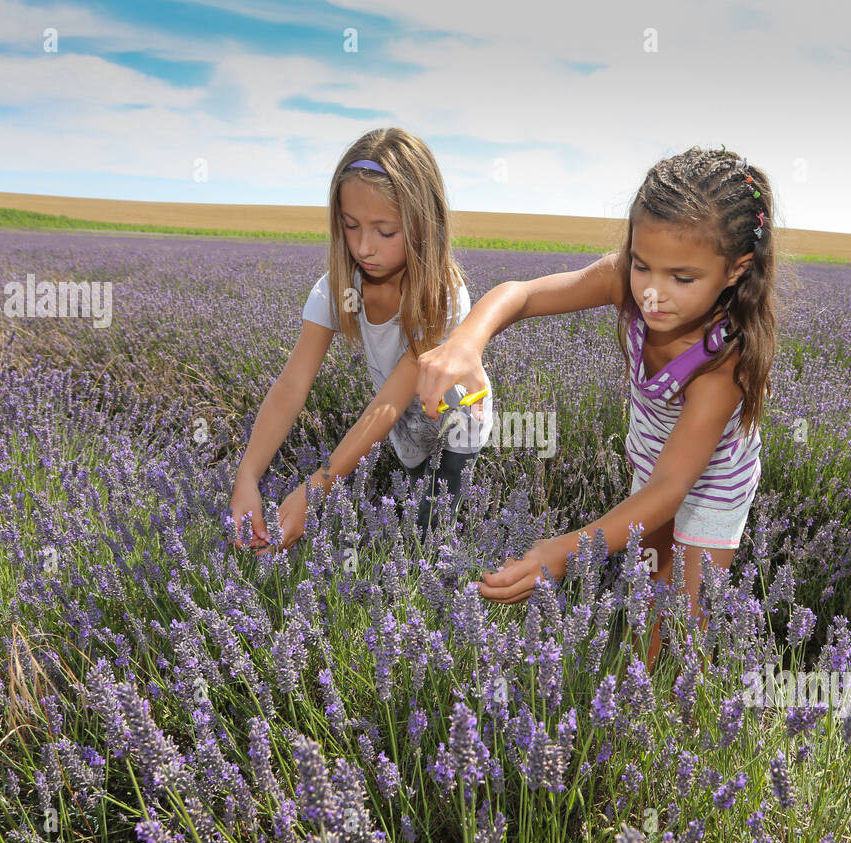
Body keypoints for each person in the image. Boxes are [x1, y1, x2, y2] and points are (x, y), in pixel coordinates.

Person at [416, 146, 778, 672]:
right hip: (652, 466)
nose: (653, 294)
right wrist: (466, 343)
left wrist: (559, 553)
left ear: (734, 271)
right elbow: (519, 296)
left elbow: (670, 492)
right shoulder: (621, 283)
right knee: (645, 596)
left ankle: (664, 722)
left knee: (680, 626)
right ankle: (632, 690)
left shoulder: (724, 363)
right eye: (642, 265)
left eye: (682, 278)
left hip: (709, 490)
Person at [230, 127, 493, 553]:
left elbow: (389, 404)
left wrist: (316, 489)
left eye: (385, 232)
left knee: (429, 543)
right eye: (351, 226)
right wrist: (247, 475)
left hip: (455, 428)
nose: (364, 247)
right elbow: (291, 387)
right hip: (402, 433)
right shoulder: (338, 289)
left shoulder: (442, 296)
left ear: (425, 225)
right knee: (408, 502)